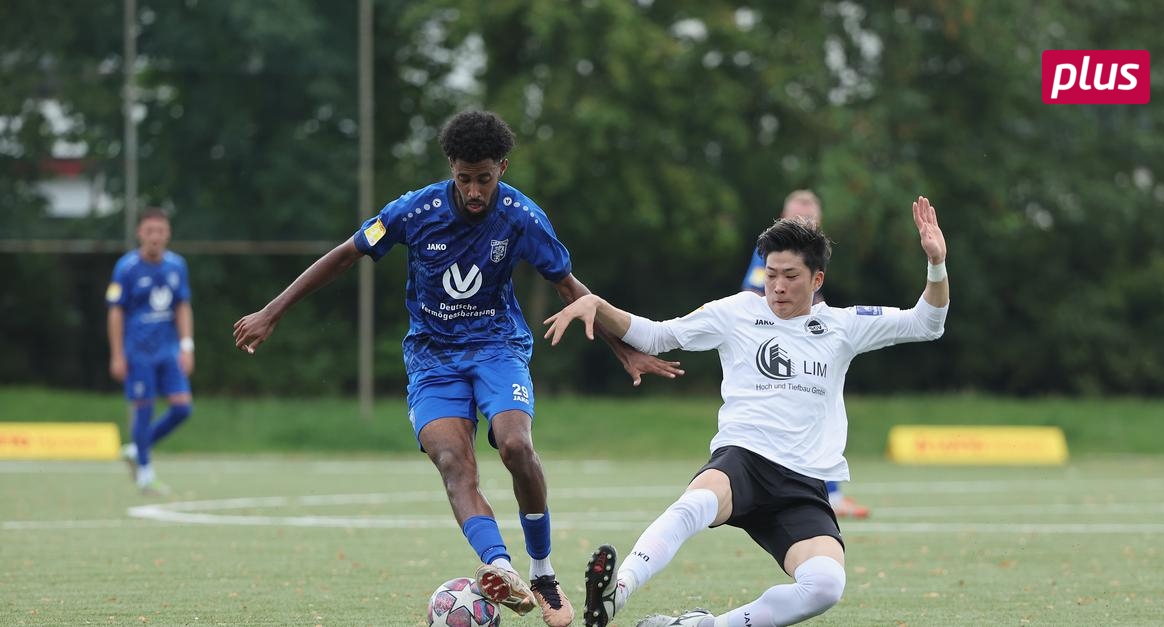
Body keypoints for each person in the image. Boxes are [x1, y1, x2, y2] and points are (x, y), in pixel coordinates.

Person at [231, 110, 683, 627]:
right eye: (464, 178)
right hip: (432, 358)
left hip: (497, 348)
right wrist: (272, 311)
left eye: (484, 178)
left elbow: (570, 289)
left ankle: (542, 572)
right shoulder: (413, 210)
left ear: (502, 169)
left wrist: (621, 346)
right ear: (451, 167)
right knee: (452, 460)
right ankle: (499, 568)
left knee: (515, 445)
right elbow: (344, 255)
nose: (473, 190)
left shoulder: (520, 216)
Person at [545, 197, 949, 627]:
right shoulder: (736, 312)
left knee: (826, 585)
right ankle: (617, 593)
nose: (777, 286)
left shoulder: (843, 326)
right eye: (770, 274)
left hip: (802, 485)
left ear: (817, 279)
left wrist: (936, 263)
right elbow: (657, 336)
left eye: (790, 276)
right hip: (744, 461)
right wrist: (597, 304)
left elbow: (928, 322)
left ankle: (701, 626)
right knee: (694, 504)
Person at [741, 190, 868, 519]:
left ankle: (828, 492)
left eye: (809, 219)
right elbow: (752, 295)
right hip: (778, 348)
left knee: (820, 411)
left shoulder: (813, 256)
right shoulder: (771, 254)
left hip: (808, 345)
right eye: (796, 218)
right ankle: (813, 493)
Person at [106, 207, 195, 497]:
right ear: (140, 234)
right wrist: (118, 354)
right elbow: (116, 313)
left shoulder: (177, 266)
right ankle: (146, 475)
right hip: (138, 352)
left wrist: (186, 345)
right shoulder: (126, 268)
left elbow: (182, 306)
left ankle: (136, 447)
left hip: (168, 350)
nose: (155, 237)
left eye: (160, 231)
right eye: (149, 231)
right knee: (143, 410)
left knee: (182, 407)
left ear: (168, 234)